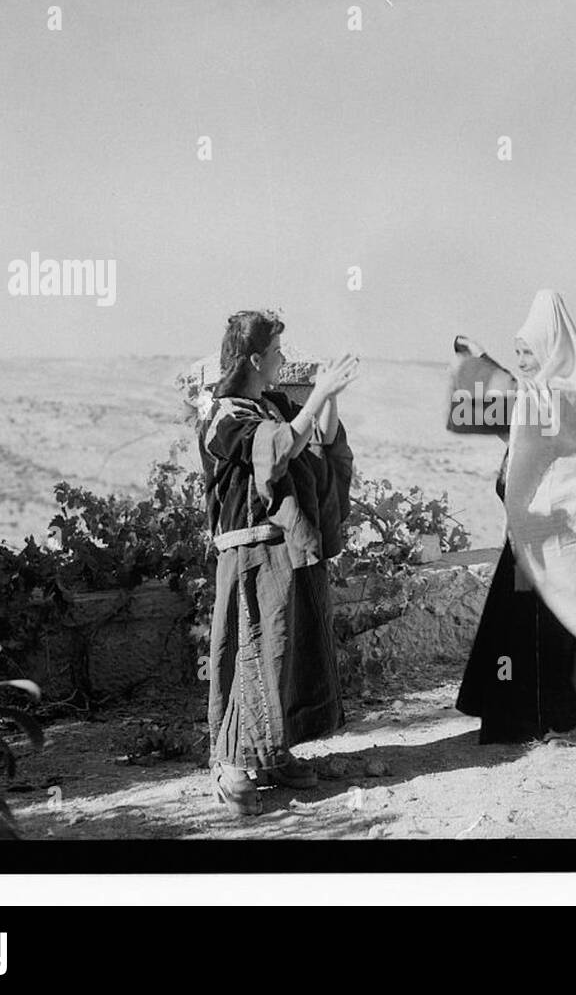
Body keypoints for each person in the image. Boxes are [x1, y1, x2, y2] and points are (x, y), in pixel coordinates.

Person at [450, 290, 576, 748]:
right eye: (519, 352)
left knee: (569, 630)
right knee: (518, 626)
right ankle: (519, 720)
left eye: (529, 352)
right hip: (534, 537)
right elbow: (518, 415)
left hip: (567, 541)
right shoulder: (548, 393)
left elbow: (530, 406)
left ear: (553, 349)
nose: (524, 360)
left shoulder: (570, 394)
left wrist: (485, 363)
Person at [199, 309, 360, 816]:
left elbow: (313, 442)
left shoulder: (267, 404)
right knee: (250, 658)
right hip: (249, 554)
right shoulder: (223, 418)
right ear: (253, 359)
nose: (283, 361)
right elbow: (279, 448)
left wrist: (327, 396)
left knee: (284, 658)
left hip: (285, 552)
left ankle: (271, 754)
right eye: (276, 353)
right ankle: (230, 765)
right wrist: (315, 398)